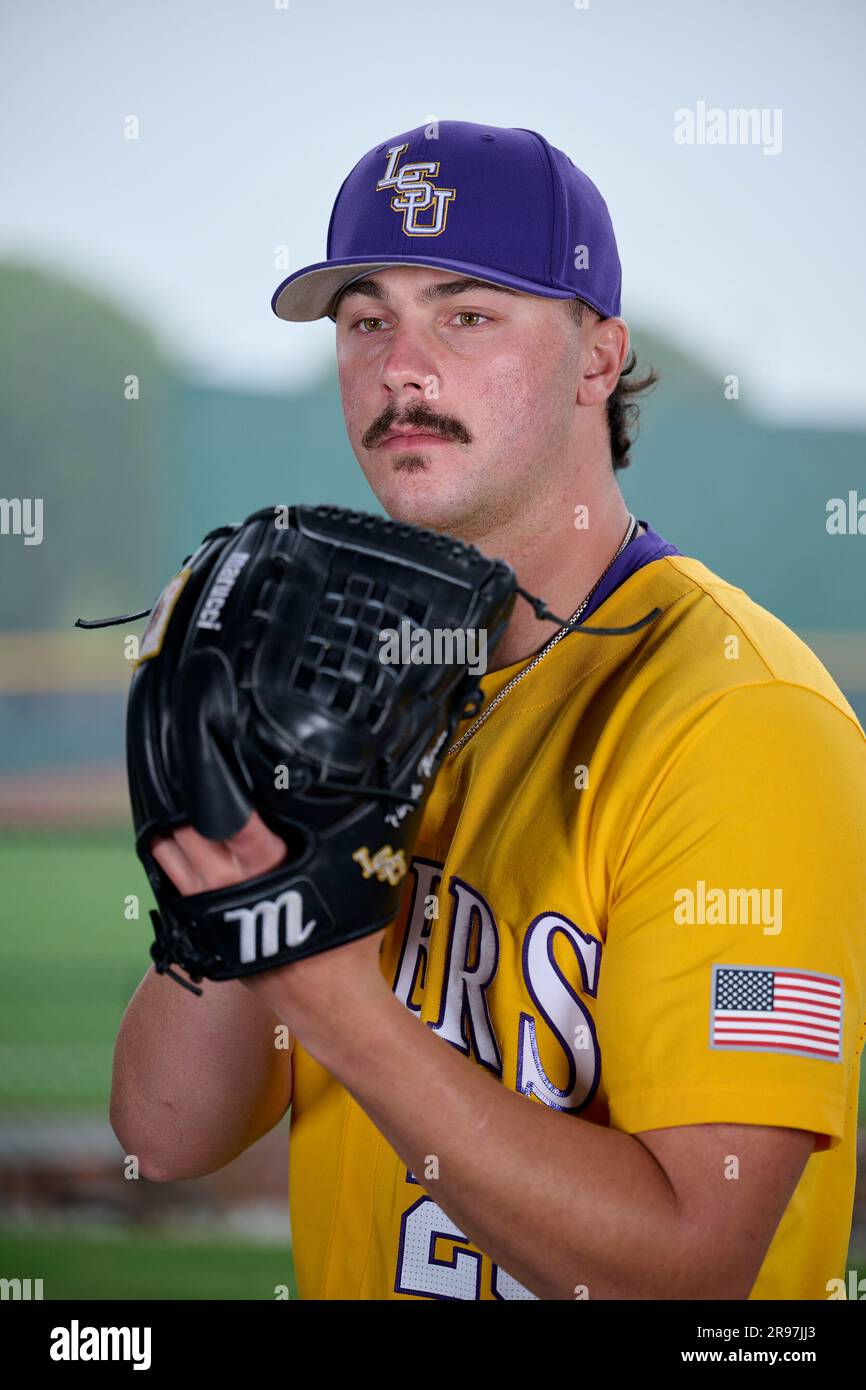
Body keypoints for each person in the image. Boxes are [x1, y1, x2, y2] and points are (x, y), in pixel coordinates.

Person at [110, 120, 866, 1301]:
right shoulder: (347, 692)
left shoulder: (743, 717)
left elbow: (690, 1269)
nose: (401, 366)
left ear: (595, 358)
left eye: (465, 315)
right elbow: (163, 1135)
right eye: (367, 322)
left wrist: (329, 992)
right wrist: (231, 868)